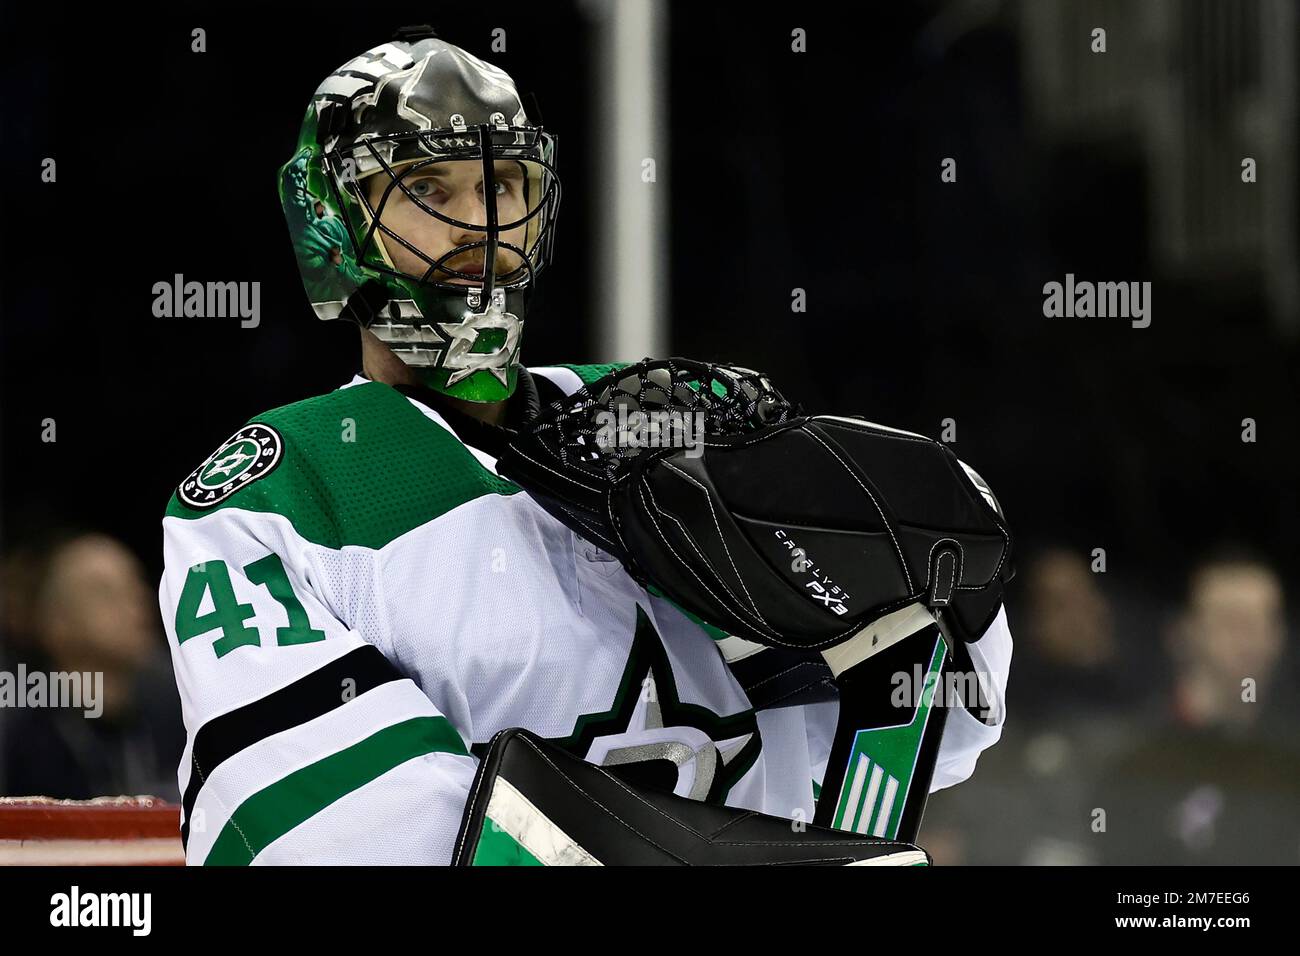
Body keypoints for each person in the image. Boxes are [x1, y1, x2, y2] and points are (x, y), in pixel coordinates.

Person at [158, 28, 1014, 864]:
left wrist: (932, 596)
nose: (481, 224)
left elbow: (947, 725)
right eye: (430, 188)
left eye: (503, 186)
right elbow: (342, 838)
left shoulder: (673, 420)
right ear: (332, 223)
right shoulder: (274, 493)